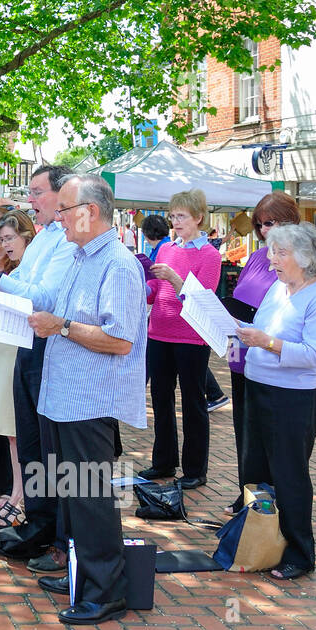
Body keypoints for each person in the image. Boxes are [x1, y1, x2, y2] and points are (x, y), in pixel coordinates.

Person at [27, 175, 148, 625]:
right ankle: (82, 573)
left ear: (90, 211)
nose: (57, 218)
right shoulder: (81, 257)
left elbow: (120, 339)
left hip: (89, 400)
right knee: (72, 495)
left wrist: (59, 326)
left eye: (64, 209)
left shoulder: (117, 264)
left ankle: (105, 592)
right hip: (64, 395)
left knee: (92, 497)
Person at [0, 165, 76, 569]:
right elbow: (26, 289)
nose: (31, 199)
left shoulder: (64, 244)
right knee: (29, 439)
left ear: (63, 195)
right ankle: (38, 521)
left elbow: (44, 298)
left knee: (46, 443)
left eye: (38, 192)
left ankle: (54, 530)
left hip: (48, 348)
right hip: (25, 346)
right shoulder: (44, 240)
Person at [224, 192, 316, 514]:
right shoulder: (275, 282)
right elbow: (257, 317)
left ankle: (292, 542)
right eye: (261, 225)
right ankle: (255, 525)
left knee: (287, 468)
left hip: (292, 382)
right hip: (252, 368)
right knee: (254, 459)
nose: (265, 232)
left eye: (272, 224)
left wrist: (266, 342)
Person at [233, 224, 316, 580]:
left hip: (295, 397)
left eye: (281, 253)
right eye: (272, 251)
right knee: (255, 472)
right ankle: (259, 543)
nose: (272, 259)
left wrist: (267, 343)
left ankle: (299, 552)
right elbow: (261, 331)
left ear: (307, 258)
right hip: (259, 387)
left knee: (288, 474)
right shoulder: (279, 290)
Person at [139, 190, 221, 489]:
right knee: (160, 400)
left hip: (191, 337)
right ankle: (163, 462)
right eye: (173, 217)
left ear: (199, 217)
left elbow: (202, 298)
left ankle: (196, 469)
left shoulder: (210, 255)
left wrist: (174, 279)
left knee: (193, 402)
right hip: (159, 331)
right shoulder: (166, 249)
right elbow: (154, 288)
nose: (176, 223)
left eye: (182, 216)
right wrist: (141, 288)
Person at [0, 210, 35, 526]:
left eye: (9, 238)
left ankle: (22, 497)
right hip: (2, 350)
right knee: (11, 434)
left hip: (18, 352)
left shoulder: (31, 270)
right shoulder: (11, 269)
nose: (4, 244)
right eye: (1, 239)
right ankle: (16, 493)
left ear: (27, 235)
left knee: (19, 431)